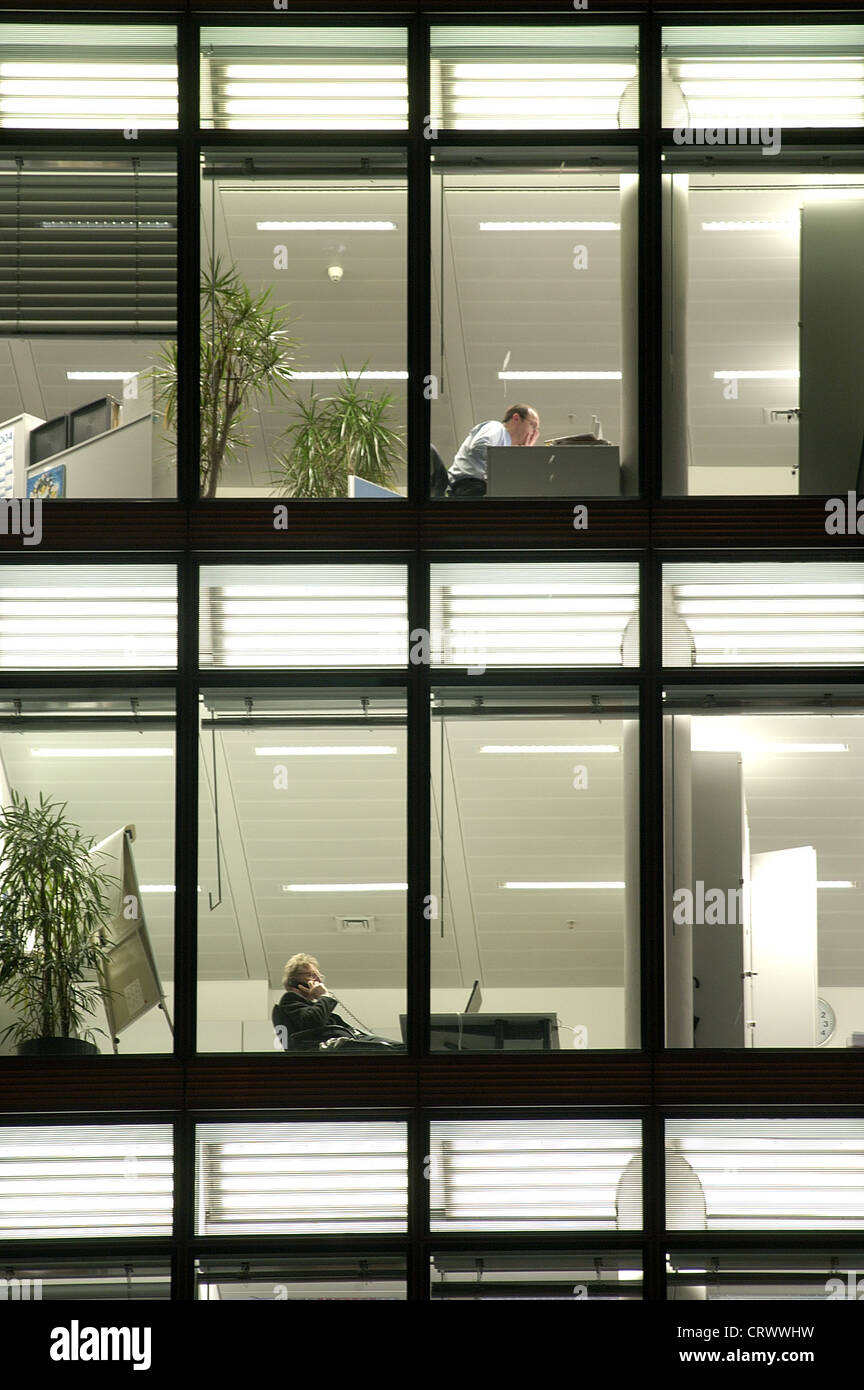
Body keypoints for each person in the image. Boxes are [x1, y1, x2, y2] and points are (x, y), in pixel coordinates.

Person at [272, 953, 401, 1052]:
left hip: (354, 1039)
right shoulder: (290, 998)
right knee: (392, 1050)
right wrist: (324, 996)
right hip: (339, 1045)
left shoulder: (313, 1005)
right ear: (294, 981)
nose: (318, 980)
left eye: (319, 976)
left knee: (401, 1047)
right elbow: (312, 1020)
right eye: (311, 975)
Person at [445, 404, 540, 499]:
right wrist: (515, 456)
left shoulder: (505, 446)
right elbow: (480, 447)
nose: (534, 432)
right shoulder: (496, 427)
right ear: (516, 418)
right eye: (533, 425)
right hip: (470, 487)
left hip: (480, 488)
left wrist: (522, 454)